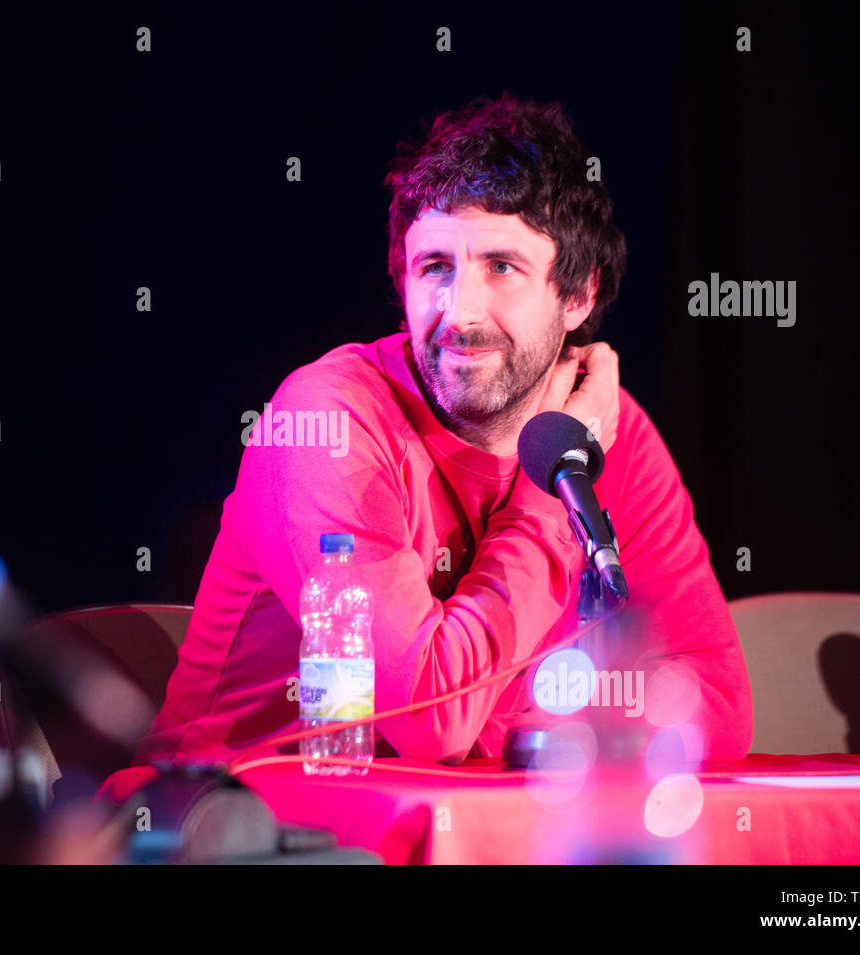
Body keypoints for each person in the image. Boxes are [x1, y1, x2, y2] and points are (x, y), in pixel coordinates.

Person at [131, 92, 752, 769]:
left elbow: (715, 699)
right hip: (227, 824)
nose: (459, 311)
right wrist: (550, 497)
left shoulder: (610, 430)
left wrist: (544, 735)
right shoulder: (323, 424)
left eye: (502, 267)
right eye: (435, 268)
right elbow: (432, 720)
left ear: (578, 295)